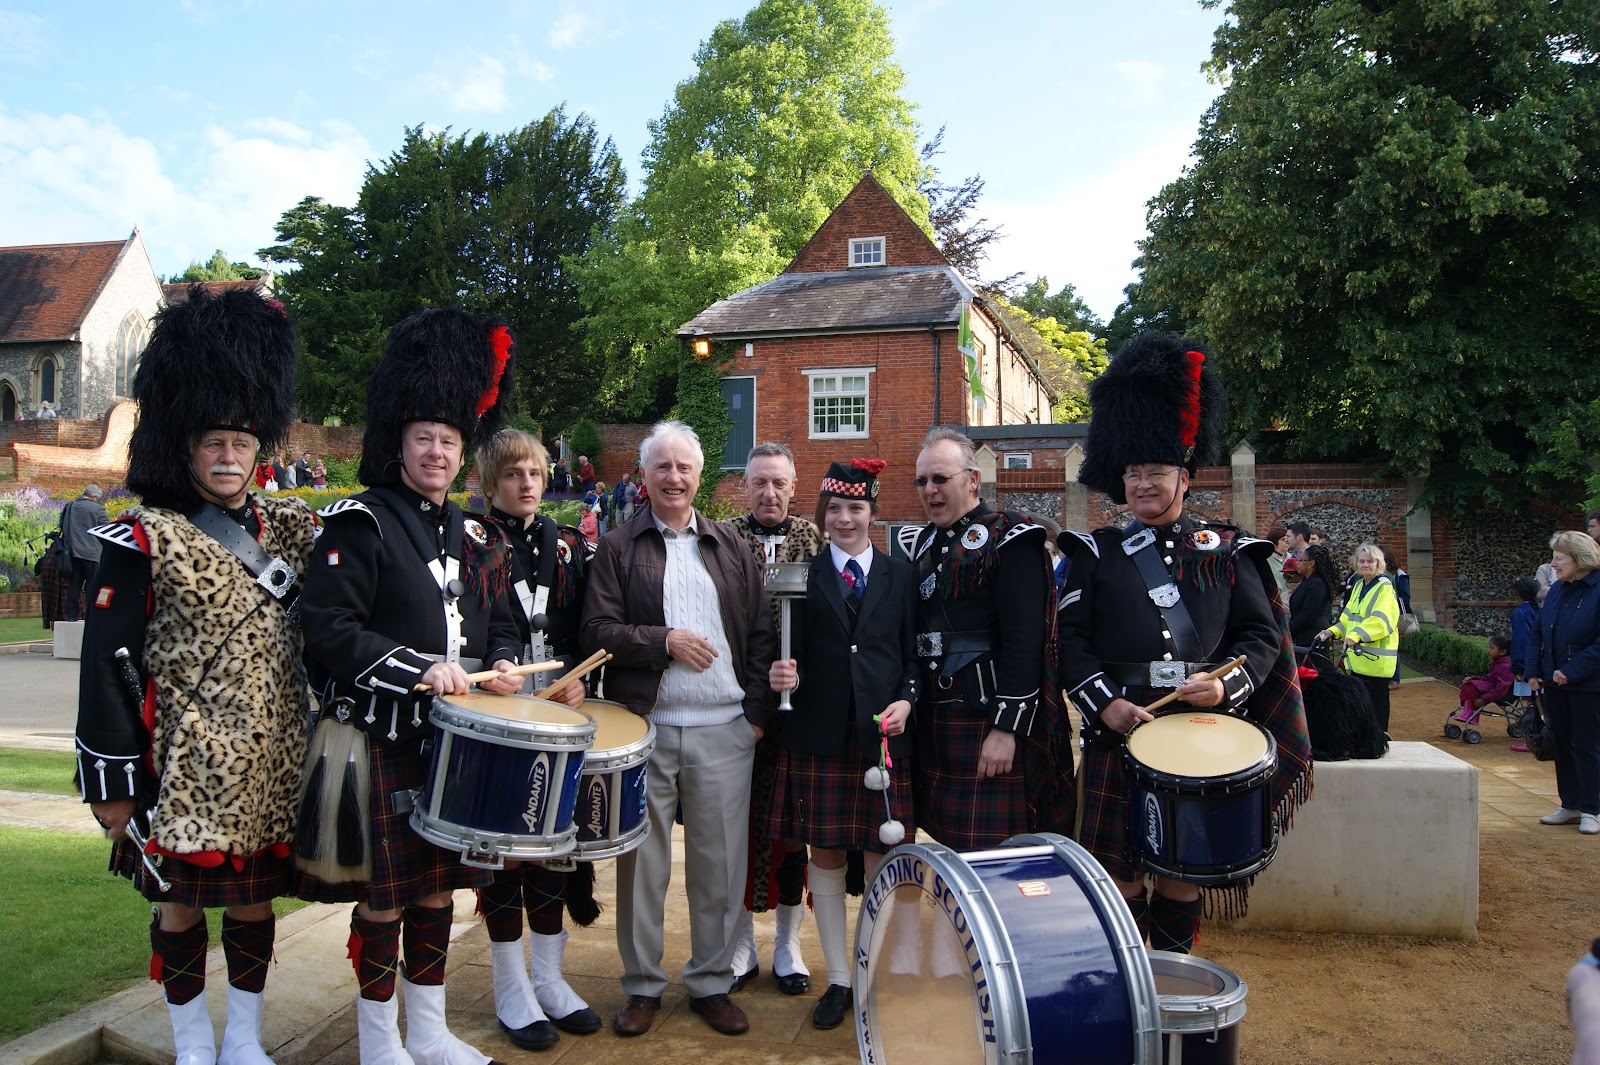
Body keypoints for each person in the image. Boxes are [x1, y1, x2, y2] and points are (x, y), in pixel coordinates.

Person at [74, 287, 315, 1065]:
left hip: (270, 765)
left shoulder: (291, 528)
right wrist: (111, 786)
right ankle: (190, 1045)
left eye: (241, 443)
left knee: (251, 905)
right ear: (185, 444)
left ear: (260, 449)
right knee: (179, 909)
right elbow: (105, 665)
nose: (227, 456)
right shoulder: (142, 537)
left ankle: (241, 1040)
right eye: (213, 441)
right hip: (179, 768)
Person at [296, 307, 524, 1065]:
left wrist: (506, 663)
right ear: (399, 443)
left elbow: (492, 622)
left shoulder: (472, 533)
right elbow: (328, 628)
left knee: (438, 892)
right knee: (385, 897)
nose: (436, 451)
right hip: (382, 736)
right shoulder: (358, 521)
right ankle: (377, 1042)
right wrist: (417, 668)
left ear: (464, 455)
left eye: (450, 441)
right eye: (424, 436)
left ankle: (427, 1034)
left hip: (452, 746)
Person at [1058, 332, 1312, 953]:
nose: (1144, 483)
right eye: (1134, 472)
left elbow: (1261, 637)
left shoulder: (1228, 550)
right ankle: (1131, 987)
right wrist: (1102, 703)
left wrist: (1226, 683)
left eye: (1158, 471)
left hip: (1202, 728)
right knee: (1118, 879)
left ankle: (1170, 975)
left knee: (1181, 874)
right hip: (1120, 726)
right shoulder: (1096, 552)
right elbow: (1068, 639)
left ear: (1186, 476)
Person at [579, 420, 777, 1038]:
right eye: (661, 466)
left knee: (719, 867)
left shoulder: (730, 547)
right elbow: (596, 634)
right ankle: (642, 987)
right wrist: (662, 641)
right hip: (646, 730)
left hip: (725, 731)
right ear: (644, 475)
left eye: (683, 467)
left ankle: (712, 982)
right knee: (643, 868)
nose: (672, 477)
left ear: (698, 476)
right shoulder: (616, 547)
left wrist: (754, 721)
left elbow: (761, 635)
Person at [767, 457, 917, 1030]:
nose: (846, 518)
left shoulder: (899, 576)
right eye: (836, 509)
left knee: (883, 860)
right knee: (824, 857)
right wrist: (782, 677)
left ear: (873, 514)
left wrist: (908, 698)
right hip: (818, 735)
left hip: (883, 736)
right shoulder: (801, 576)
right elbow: (786, 651)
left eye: (857, 508)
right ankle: (839, 978)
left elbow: (914, 656)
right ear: (822, 515)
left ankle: (874, 972)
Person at [472, 428, 597, 1051]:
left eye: (536, 474)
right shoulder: (470, 542)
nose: (526, 485)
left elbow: (581, 627)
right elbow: (469, 625)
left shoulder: (566, 545)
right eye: (514, 474)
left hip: (559, 716)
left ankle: (548, 980)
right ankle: (510, 988)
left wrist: (579, 678)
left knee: (555, 850)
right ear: (490, 481)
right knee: (505, 855)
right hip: (498, 717)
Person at [904, 426, 1075, 852]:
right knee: (953, 846)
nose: (930, 490)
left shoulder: (1011, 537)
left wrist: (1007, 728)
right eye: (922, 481)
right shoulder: (924, 541)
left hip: (986, 717)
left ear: (972, 480)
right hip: (936, 714)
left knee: (997, 854)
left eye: (941, 479)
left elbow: (1025, 639)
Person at [726, 442, 826, 999]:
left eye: (779, 484)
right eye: (759, 482)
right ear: (746, 485)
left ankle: (788, 945)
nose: (769, 493)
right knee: (736, 828)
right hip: (734, 707)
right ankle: (741, 945)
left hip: (798, 710)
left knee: (793, 829)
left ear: (794, 487)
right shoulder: (718, 538)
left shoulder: (817, 541)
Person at [1528, 530, 1600, 835]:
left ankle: (1591, 809)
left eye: (1559, 558)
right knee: (1562, 743)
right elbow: (1539, 632)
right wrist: (1532, 669)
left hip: (1588, 685)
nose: (1553, 564)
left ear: (1579, 559)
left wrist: (1572, 670)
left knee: (1587, 746)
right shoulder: (1557, 589)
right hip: (1554, 682)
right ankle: (1569, 804)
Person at [1319, 543, 1400, 734]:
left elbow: (1382, 620)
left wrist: (1355, 635)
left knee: (1377, 703)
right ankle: (1365, 737)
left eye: (1370, 561)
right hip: (1358, 658)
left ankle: (1380, 737)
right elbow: (1349, 617)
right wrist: (1332, 631)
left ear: (1379, 563)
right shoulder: (1358, 584)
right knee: (1361, 703)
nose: (1365, 565)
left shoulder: (1384, 587)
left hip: (1376, 660)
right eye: (1362, 561)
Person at [57, 484, 108, 621]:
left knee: (74, 585)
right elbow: (105, 532)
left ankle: (71, 616)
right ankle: (90, 614)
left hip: (72, 553)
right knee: (92, 585)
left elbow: (61, 526)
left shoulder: (70, 506)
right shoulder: (97, 509)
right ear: (94, 497)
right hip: (92, 553)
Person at [1451, 636, 1514, 725]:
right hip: (1492, 688)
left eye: (1492, 648)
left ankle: (1472, 714)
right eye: (1489, 647)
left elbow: (1501, 688)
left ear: (1502, 652)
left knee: (1471, 686)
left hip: (1500, 694)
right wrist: (1474, 678)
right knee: (1468, 684)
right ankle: (1468, 711)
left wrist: (1484, 699)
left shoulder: (1505, 667)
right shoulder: (1497, 663)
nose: (1489, 650)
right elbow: (1489, 678)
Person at [1289, 544, 1339, 649]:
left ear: (1311, 563)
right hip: (1302, 636)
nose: (1297, 563)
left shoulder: (1317, 584)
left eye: (1301, 560)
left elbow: (1308, 614)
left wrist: (1288, 631)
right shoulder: (1306, 582)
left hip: (1312, 637)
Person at [1266, 525, 1290, 602]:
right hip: (1274, 596)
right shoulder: (1267, 558)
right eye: (1283, 539)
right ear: (1275, 542)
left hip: (1289, 596)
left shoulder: (1291, 558)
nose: (1287, 542)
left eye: (1288, 539)